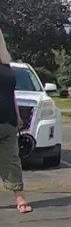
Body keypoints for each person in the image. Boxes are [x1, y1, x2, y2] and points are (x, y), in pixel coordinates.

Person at [0, 27, 30, 214]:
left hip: (8, 120)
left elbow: (12, 94)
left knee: (12, 161)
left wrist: (18, 116)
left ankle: (20, 198)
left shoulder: (6, 65)